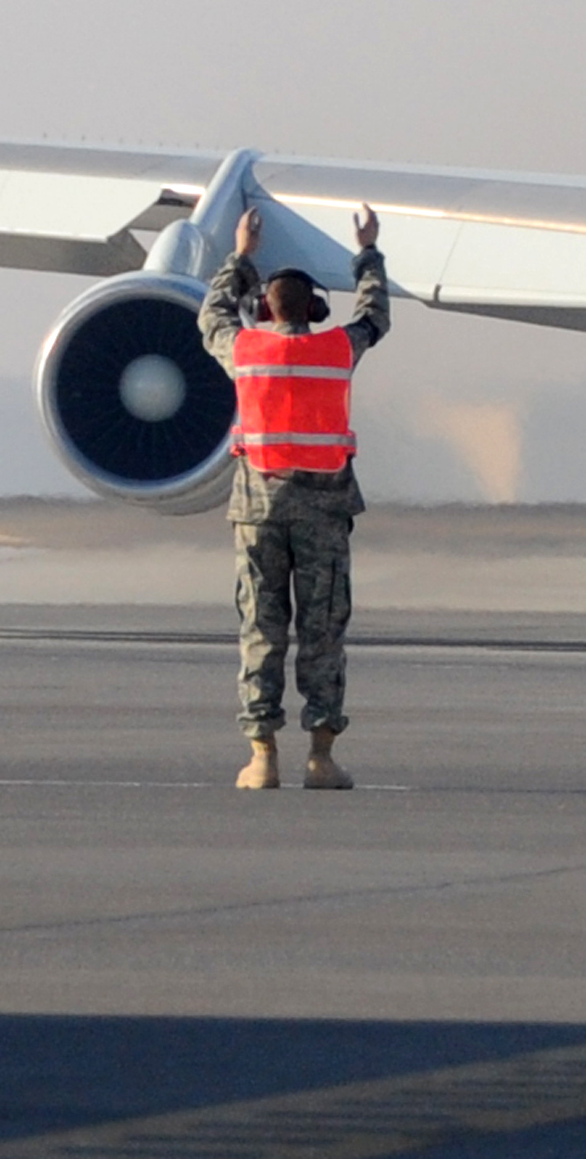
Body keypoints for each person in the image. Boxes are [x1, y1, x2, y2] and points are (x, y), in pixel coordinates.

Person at [201, 201, 387, 790]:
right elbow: (374, 315)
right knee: (322, 633)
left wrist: (242, 255)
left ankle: (262, 756)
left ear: (265, 309)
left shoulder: (246, 352)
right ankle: (321, 757)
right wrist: (367, 252)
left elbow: (212, 314)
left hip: (258, 514)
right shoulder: (336, 351)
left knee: (261, 630)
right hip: (324, 514)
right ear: (314, 310)